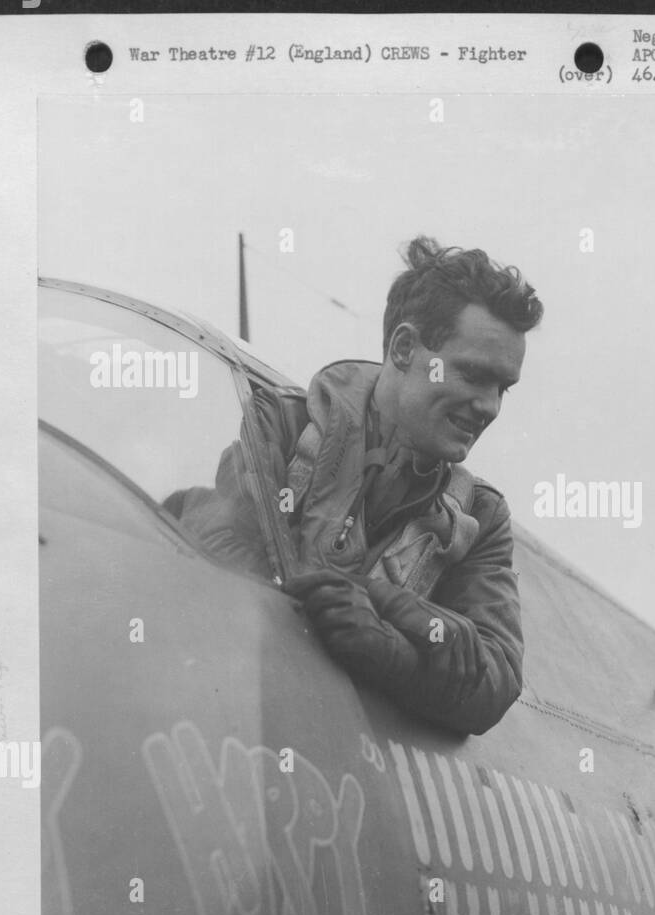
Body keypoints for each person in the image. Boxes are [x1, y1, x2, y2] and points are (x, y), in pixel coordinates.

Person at [177, 236, 542, 735]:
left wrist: (386, 648)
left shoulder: (479, 516)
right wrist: (415, 619)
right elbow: (222, 556)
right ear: (405, 348)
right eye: (474, 374)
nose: (490, 407)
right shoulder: (281, 427)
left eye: (502, 387)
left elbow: (494, 680)